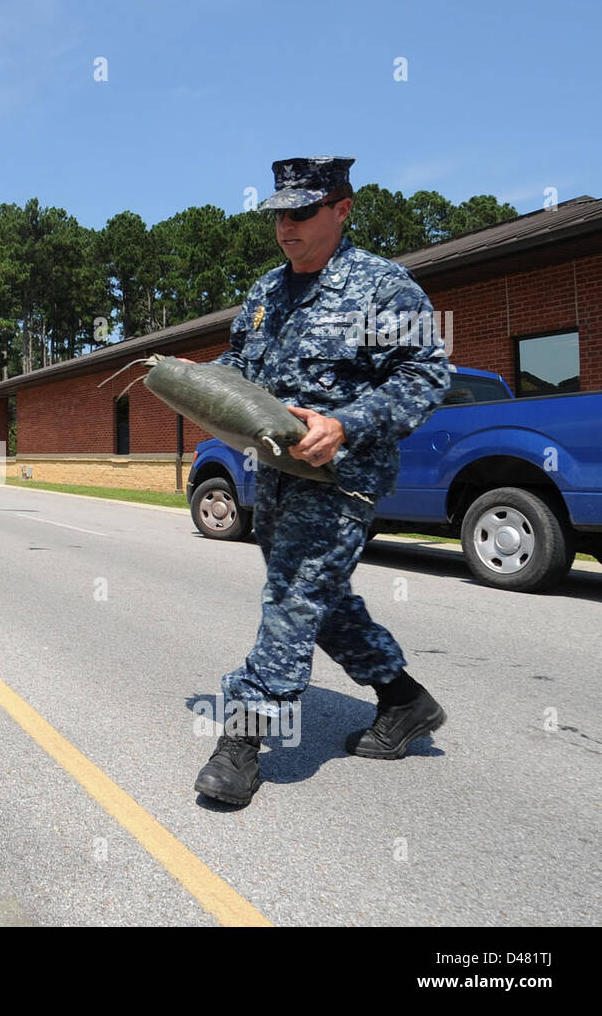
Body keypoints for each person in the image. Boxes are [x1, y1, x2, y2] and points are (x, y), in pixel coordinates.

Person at [193, 156, 451, 807]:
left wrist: (344, 424)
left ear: (342, 208)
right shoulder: (263, 294)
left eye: (302, 212)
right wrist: (202, 386)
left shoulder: (383, 288)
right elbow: (237, 365)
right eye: (280, 213)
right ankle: (405, 701)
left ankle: (241, 744)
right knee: (323, 599)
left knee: (291, 597)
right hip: (275, 478)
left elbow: (425, 376)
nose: (287, 226)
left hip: (343, 479)